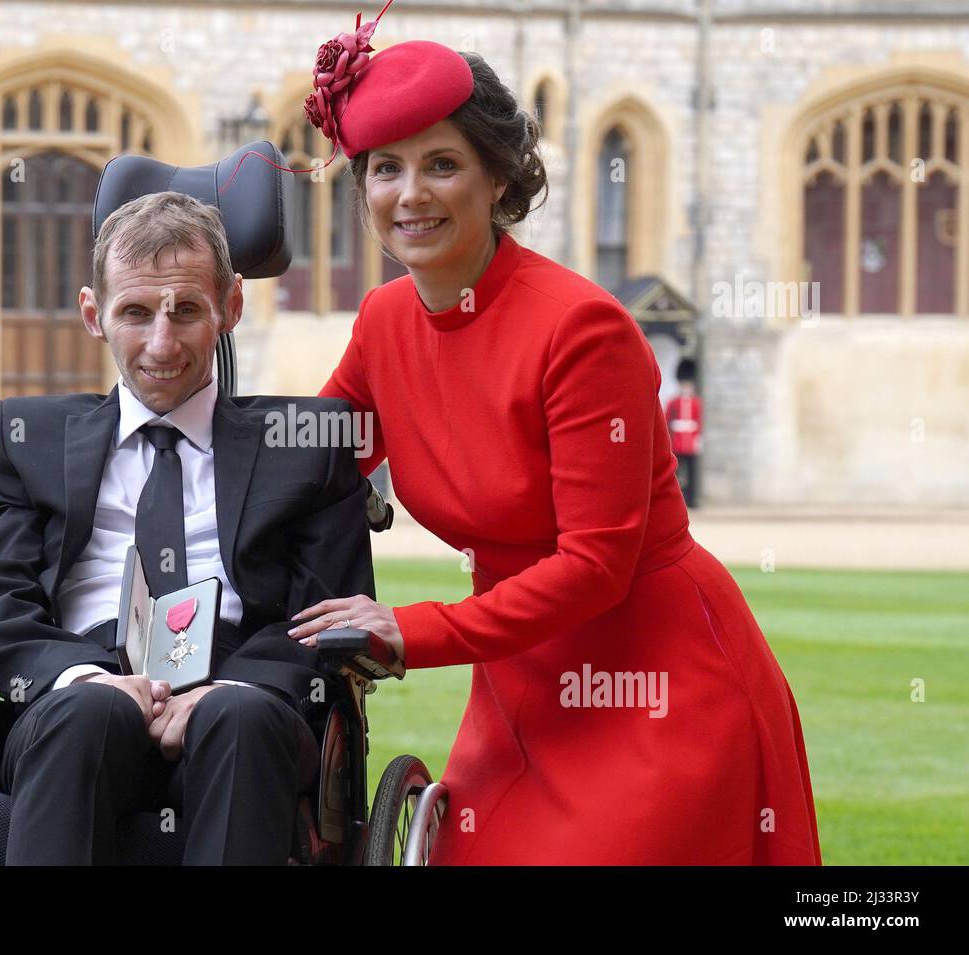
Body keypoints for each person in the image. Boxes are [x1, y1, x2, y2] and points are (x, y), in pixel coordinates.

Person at [283, 5, 822, 865]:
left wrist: (410, 630)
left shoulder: (582, 328)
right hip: (519, 686)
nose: (410, 194)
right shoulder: (384, 320)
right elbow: (305, 459)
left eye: (443, 164)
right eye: (386, 168)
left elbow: (596, 567)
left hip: (656, 679)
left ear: (498, 180)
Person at [0, 191, 375, 864]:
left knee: (237, 719)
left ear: (230, 308)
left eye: (186, 310)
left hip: (245, 692)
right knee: (87, 714)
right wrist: (81, 678)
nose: (161, 342)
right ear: (94, 314)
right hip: (81, 683)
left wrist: (232, 685)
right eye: (135, 313)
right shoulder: (28, 437)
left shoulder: (310, 444)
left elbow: (331, 615)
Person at [666, 357, 703, 507]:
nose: (686, 387)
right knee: (676, 472)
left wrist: (699, 439)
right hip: (678, 440)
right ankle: (677, 501)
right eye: (684, 385)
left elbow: (699, 422)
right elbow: (667, 420)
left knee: (692, 473)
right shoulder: (673, 402)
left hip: (691, 440)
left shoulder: (696, 403)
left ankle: (692, 500)